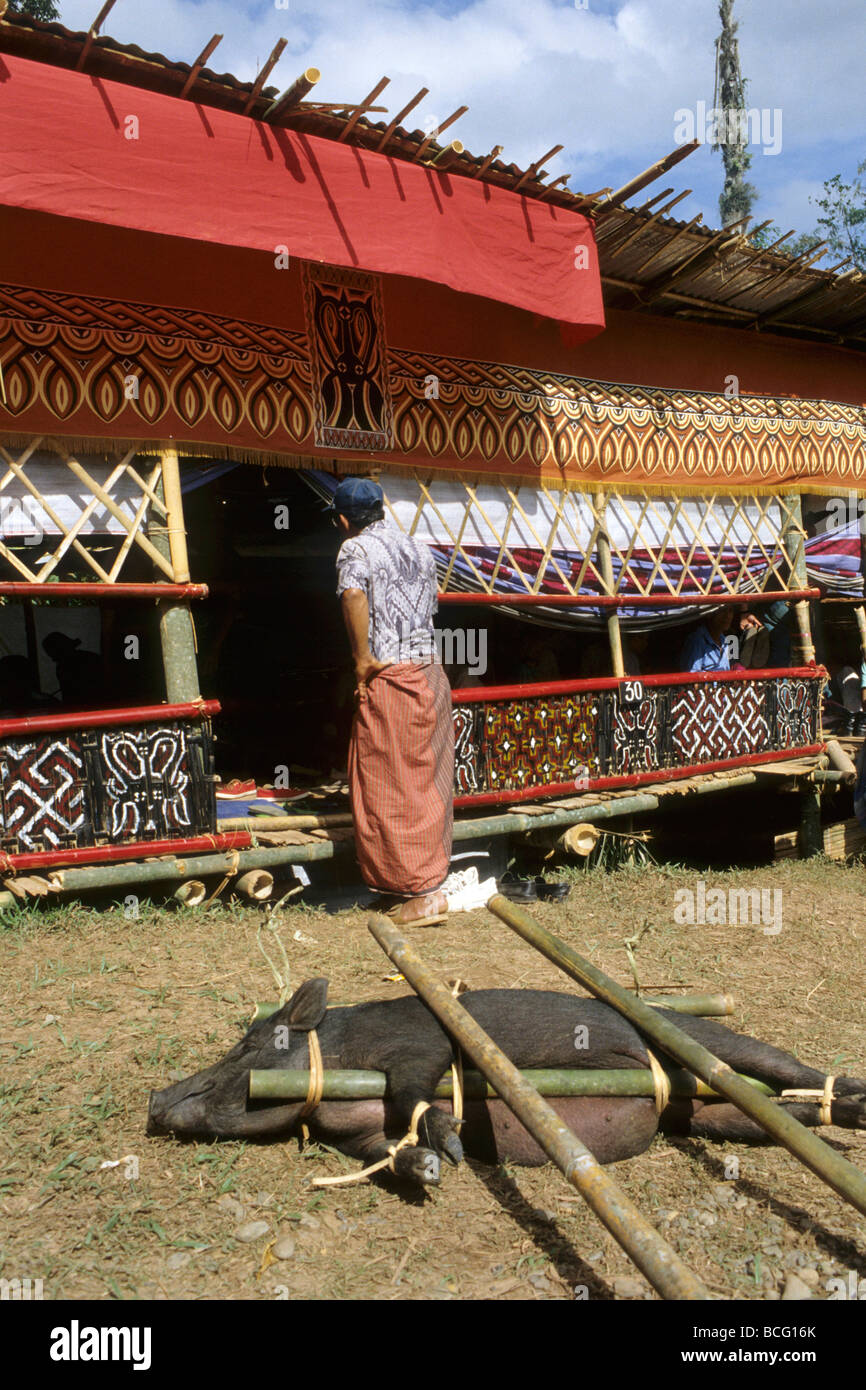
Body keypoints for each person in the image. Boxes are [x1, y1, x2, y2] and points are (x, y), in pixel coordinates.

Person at [333, 477, 454, 927]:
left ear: (344, 520)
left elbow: (353, 594)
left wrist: (362, 659)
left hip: (393, 676)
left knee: (388, 782)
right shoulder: (420, 548)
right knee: (425, 782)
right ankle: (412, 886)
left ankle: (420, 894)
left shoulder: (354, 550)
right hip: (430, 674)